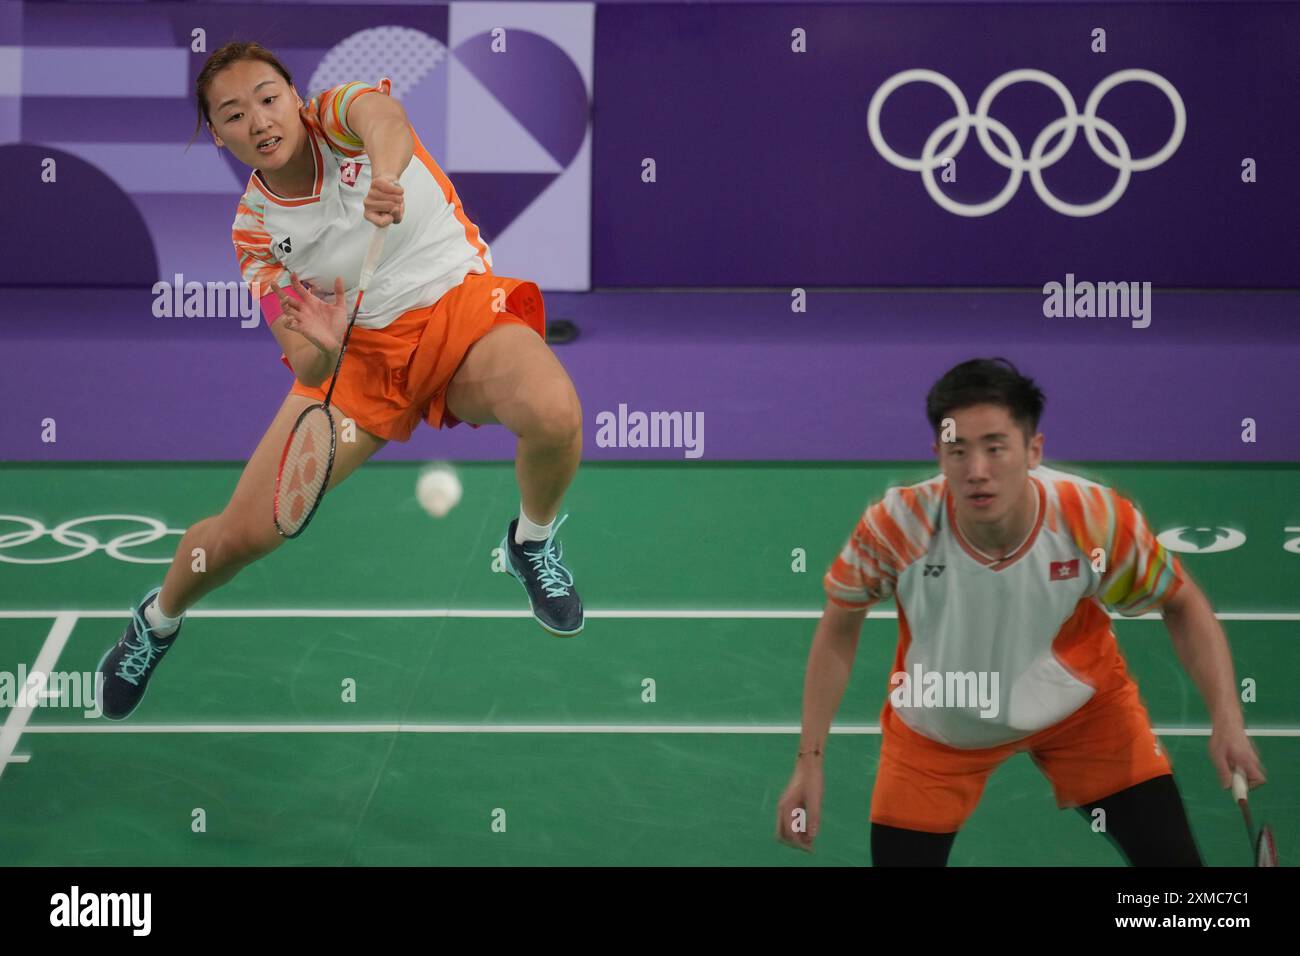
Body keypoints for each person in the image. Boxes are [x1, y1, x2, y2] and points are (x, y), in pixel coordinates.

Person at [97, 41, 585, 721]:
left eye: (268, 99)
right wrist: (321, 346)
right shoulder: (255, 233)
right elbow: (300, 358)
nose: (260, 122)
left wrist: (386, 176)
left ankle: (530, 544)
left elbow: (389, 121)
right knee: (241, 538)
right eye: (234, 114)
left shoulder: (339, 114)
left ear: (294, 96)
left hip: (458, 309)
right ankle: (158, 619)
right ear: (218, 133)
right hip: (357, 360)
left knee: (554, 413)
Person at [776, 357, 1266, 865]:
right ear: (938, 455)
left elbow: (1181, 602)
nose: (977, 471)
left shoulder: (1091, 519)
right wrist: (809, 762)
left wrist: (1227, 721)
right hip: (940, 726)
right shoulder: (898, 527)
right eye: (957, 451)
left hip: (1082, 713)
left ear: (1033, 450)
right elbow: (839, 625)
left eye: (995, 447)